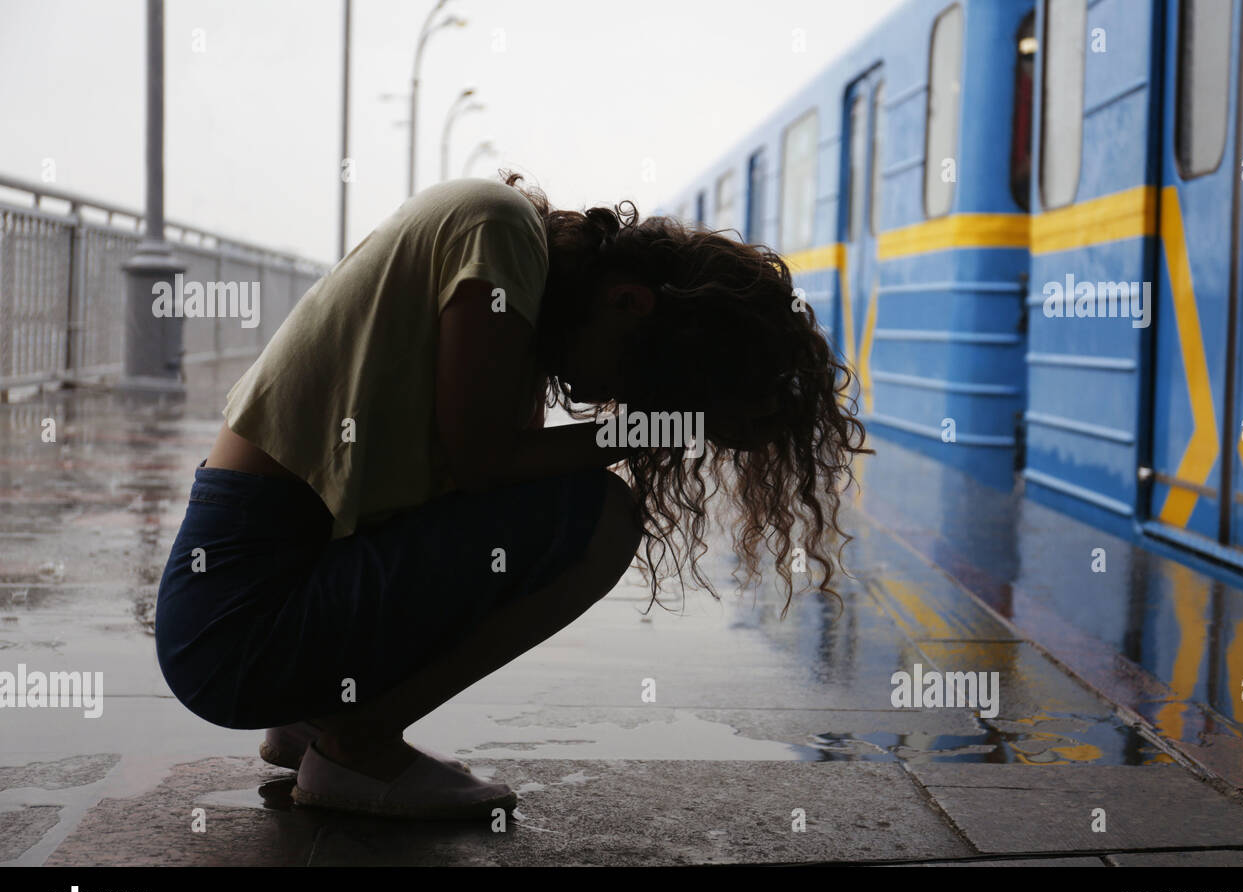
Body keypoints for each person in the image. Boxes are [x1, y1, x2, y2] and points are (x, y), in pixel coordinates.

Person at [153, 171, 870, 821]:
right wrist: (652, 428)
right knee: (604, 519)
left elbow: (487, 491)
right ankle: (356, 743)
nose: (622, 401)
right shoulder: (495, 231)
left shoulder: (513, 290)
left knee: (556, 509)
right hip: (237, 620)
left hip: (245, 607)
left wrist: (689, 420)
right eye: (641, 381)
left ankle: (313, 712)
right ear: (627, 301)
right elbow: (484, 462)